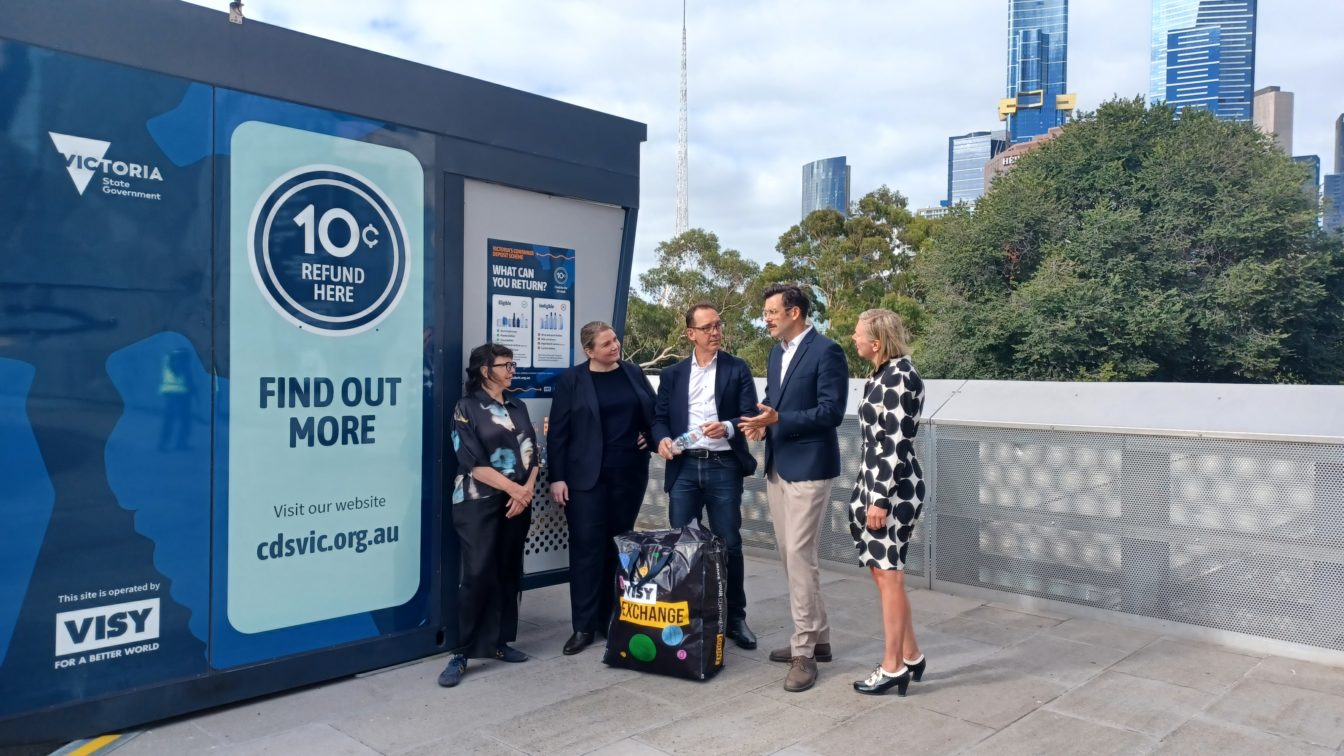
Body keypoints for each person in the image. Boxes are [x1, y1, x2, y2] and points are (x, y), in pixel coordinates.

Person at [739, 283, 847, 693]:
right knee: (793, 558)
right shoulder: (775, 353)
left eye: (771, 311)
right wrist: (760, 425)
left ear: (795, 312)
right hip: (778, 466)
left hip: (810, 468)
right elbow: (774, 404)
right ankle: (819, 640)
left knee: (800, 556)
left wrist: (778, 419)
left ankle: (803, 651)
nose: (766, 318)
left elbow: (831, 412)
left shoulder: (827, 352)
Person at [653, 303, 759, 650]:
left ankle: (735, 617)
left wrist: (727, 427)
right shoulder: (672, 375)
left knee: (729, 541)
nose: (716, 332)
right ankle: (686, 614)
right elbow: (660, 418)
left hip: (723, 466)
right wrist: (662, 440)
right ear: (691, 334)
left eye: (718, 325)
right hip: (683, 467)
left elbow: (748, 416)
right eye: (708, 327)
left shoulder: (737, 368)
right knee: (684, 544)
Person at [547, 321, 656, 655]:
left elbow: (654, 414)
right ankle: (582, 626)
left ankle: (610, 619)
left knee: (617, 548)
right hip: (585, 481)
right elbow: (558, 433)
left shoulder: (634, 373)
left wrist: (649, 437)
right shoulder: (572, 380)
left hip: (628, 476)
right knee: (586, 551)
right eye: (606, 343)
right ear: (589, 350)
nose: (615, 346)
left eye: (615, 340)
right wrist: (557, 477)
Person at [439, 343, 540, 688]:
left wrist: (525, 492)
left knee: (508, 572)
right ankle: (462, 652)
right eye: (506, 364)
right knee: (478, 573)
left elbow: (534, 455)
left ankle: (498, 643)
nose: (513, 370)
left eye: (513, 364)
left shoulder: (518, 405)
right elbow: (472, 462)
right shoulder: (466, 408)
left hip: (518, 503)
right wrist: (515, 490)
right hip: (478, 502)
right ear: (485, 370)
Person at [847, 309, 927, 696]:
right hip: (878, 486)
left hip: (892, 491)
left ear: (876, 342)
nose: (853, 337)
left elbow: (894, 446)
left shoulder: (899, 377)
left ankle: (893, 665)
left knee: (890, 576)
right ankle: (911, 655)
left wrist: (878, 500)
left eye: (858, 333)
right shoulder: (881, 374)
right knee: (884, 575)